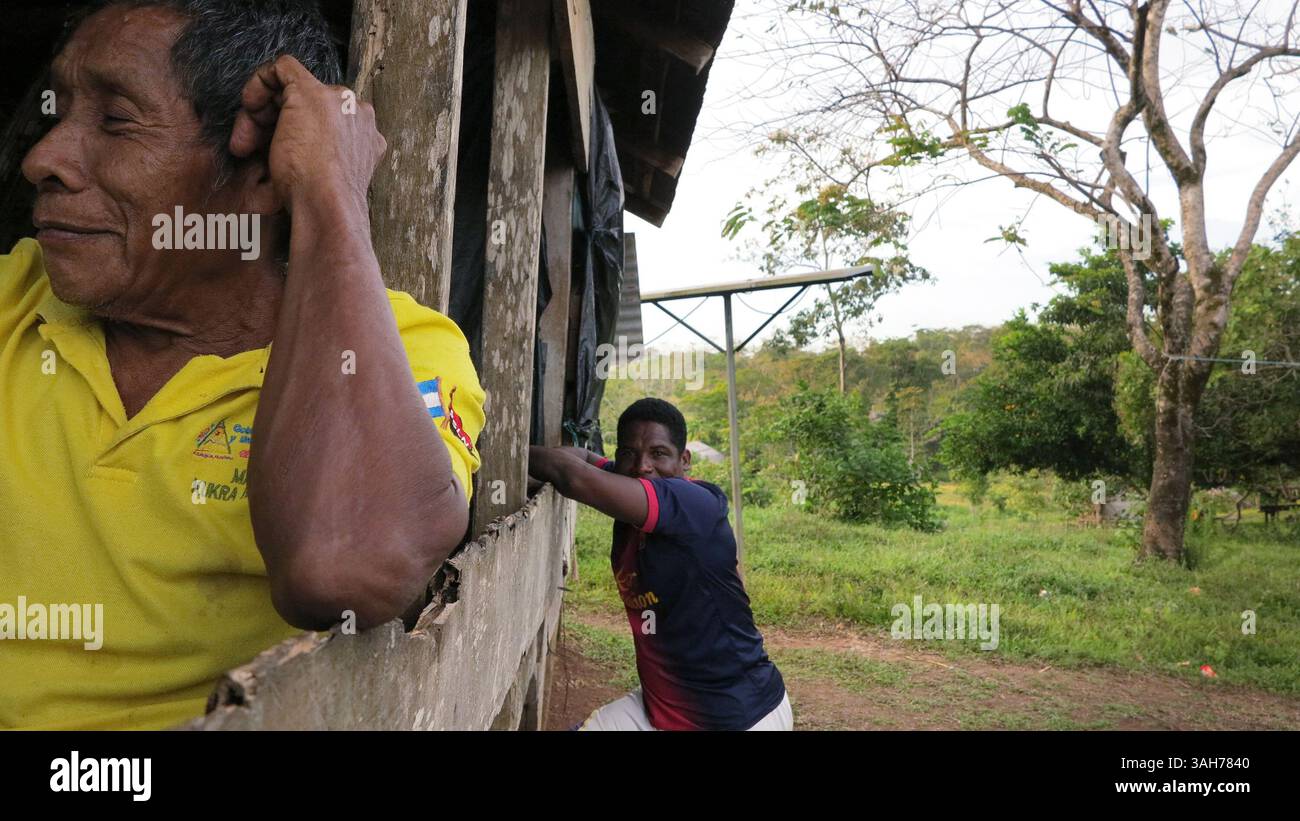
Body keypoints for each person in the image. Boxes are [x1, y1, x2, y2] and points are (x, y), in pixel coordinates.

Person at [0, 0, 485, 729]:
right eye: (59, 112)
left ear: (260, 170)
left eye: (115, 119)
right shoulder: (18, 293)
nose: (44, 157)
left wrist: (331, 190)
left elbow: (342, 566)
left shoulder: (406, 348)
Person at [528, 398, 791, 730]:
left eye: (658, 454)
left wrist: (494, 451)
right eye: (629, 454)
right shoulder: (631, 483)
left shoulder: (691, 503)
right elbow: (580, 458)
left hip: (737, 715)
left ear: (684, 460)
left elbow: (573, 476)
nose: (642, 466)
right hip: (662, 707)